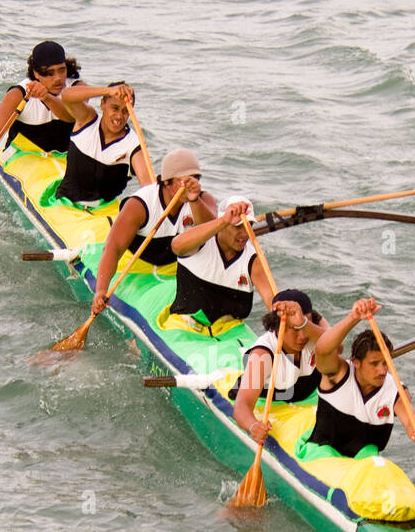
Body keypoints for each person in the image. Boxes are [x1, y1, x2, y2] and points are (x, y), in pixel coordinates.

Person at [90, 149, 217, 315]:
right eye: (183, 180)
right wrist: (101, 290)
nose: (190, 185)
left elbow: (211, 231)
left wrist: (195, 201)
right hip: (138, 259)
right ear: (166, 182)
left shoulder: (203, 200)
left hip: (174, 262)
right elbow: (114, 248)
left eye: (195, 179)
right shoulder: (139, 205)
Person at [304, 298, 415, 458]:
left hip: (363, 463)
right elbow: (322, 350)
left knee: (368, 452)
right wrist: (353, 317)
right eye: (374, 363)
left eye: (386, 363)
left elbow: (411, 416)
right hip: (321, 453)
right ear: (356, 362)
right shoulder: (337, 374)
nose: (382, 371)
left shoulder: (394, 389)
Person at [0, 40, 80, 174]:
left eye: (62, 70)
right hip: (23, 156)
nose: (58, 78)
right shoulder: (18, 94)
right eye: (50, 73)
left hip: (64, 157)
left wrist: (46, 97)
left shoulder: (77, 88)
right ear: (36, 73)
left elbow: (70, 116)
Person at [166, 196, 274, 332]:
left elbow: (272, 301)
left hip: (230, 332)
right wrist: (223, 220)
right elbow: (176, 246)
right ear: (222, 225)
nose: (244, 234)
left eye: (248, 226)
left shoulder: (254, 260)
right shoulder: (201, 243)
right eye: (238, 226)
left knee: (256, 354)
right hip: (186, 325)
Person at [231, 290, 327, 442]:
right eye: (294, 329)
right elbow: (242, 406)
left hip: (303, 398)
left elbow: (337, 347)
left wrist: (304, 322)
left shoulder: (314, 335)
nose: (302, 336)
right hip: (268, 401)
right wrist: (253, 426)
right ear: (276, 326)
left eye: (304, 326)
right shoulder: (263, 355)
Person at [59, 78, 149, 204]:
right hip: (64, 203)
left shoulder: (133, 144)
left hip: (103, 212)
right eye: (115, 108)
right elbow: (66, 96)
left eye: (125, 111)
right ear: (102, 104)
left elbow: (148, 187)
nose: (119, 116)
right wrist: (108, 91)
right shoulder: (87, 119)